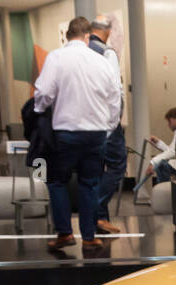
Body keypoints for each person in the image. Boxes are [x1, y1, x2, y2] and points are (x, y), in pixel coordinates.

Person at [34, 16, 120, 251]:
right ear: (86, 37)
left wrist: (40, 111)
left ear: (67, 36)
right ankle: (90, 237)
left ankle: (64, 234)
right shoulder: (101, 61)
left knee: (57, 181)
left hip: (66, 133)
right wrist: (109, 127)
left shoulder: (56, 57)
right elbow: (115, 98)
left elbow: (43, 92)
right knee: (90, 184)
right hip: (96, 134)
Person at [87, 17, 126, 235]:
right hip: (106, 123)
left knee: (94, 169)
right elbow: (115, 90)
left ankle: (100, 217)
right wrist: (114, 123)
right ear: (108, 31)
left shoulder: (81, 51)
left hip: (85, 122)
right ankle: (97, 210)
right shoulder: (107, 52)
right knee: (117, 165)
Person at [147, 107, 176, 183]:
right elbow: (171, 150)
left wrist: (153, 162)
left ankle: (163, 191)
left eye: (169, 121)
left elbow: (173, 152)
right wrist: (158, 143)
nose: (168, 125)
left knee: (161, 165)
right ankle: (164, 190)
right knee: (162, 163)